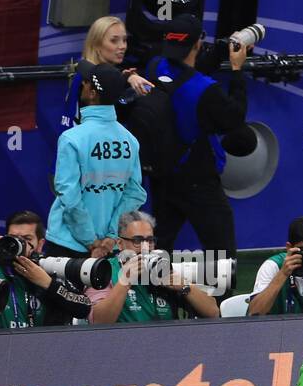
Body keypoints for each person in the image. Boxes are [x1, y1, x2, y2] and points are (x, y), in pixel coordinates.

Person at [142, 14, 249, 262]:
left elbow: (185, 74)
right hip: (198, 180)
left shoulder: (154, 67)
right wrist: (236, 69)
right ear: (197, 45)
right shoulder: (206, 90)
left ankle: (157, 298)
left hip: (162, 176)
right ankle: (219, 300)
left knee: (160, 248)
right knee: (221, 254)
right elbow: (234, 118)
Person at [46, 62, 147, 258]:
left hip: (67, 243)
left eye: (85, 83)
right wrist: (110, 237)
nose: (81, 85)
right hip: (109, 247)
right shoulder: (130, 141)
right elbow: (135, 194)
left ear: (92, 93)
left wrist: (91, 241)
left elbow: (69, 195)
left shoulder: (71, 139)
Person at [87, 210, 220, 322]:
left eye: (150, 240)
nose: (145, 248)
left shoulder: (161, 267)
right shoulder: (104, 270)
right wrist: (124, 283)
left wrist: (185, 287)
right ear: (120, 244)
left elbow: (213, 313)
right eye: (137, 241)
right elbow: (98, 321)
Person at [0, 211, 91, 331]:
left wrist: (48, 284)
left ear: (40, 244)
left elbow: (84, 307)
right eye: (14, 238)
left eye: (27, 239)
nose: (20, 244)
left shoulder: (49, 269)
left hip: (44, 347)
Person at [60, 16, 153, 132]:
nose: (122, 46)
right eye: (114, 41)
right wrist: (127, 78)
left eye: (124, 40)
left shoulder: (115, 72)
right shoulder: (85, 77)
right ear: (96, 43)